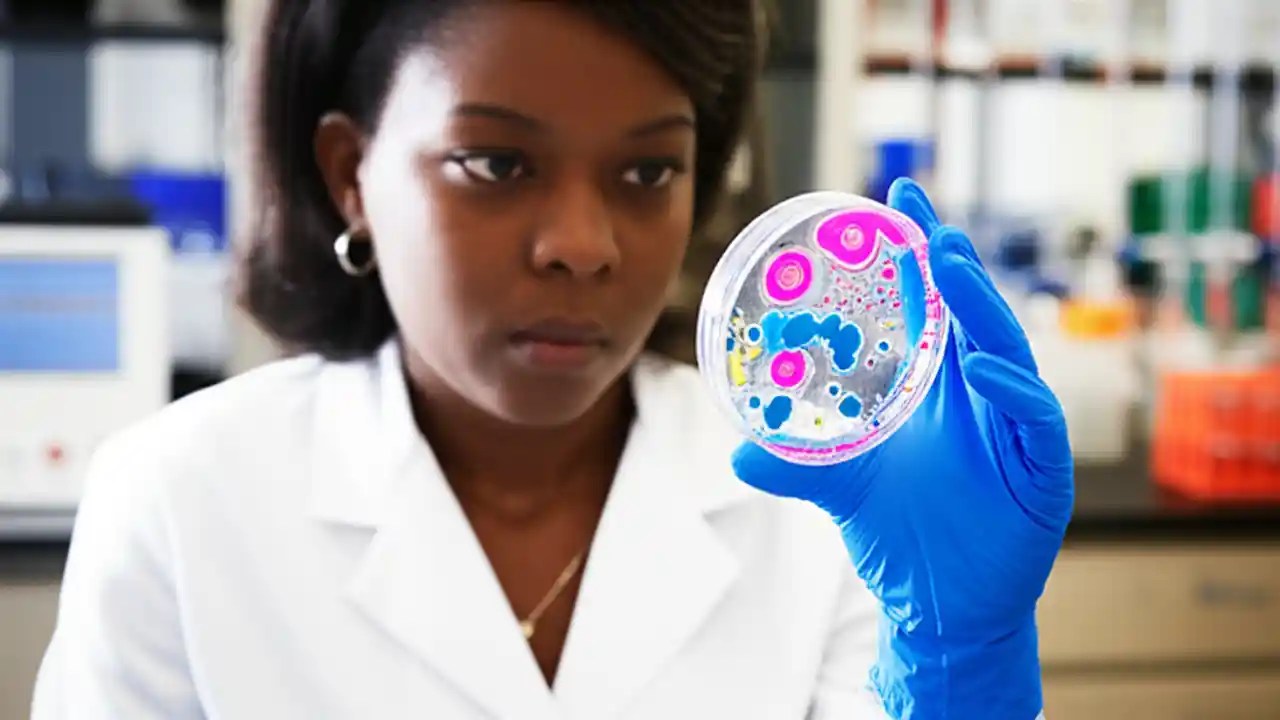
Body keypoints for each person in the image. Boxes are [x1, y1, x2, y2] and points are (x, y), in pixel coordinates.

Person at [32, 1, 1072, 718]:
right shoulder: (177, 497)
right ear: (351, 175)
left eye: (645, 169)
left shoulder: (830, 502)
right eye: (494, 162)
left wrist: (954, 665)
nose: (583, 242)